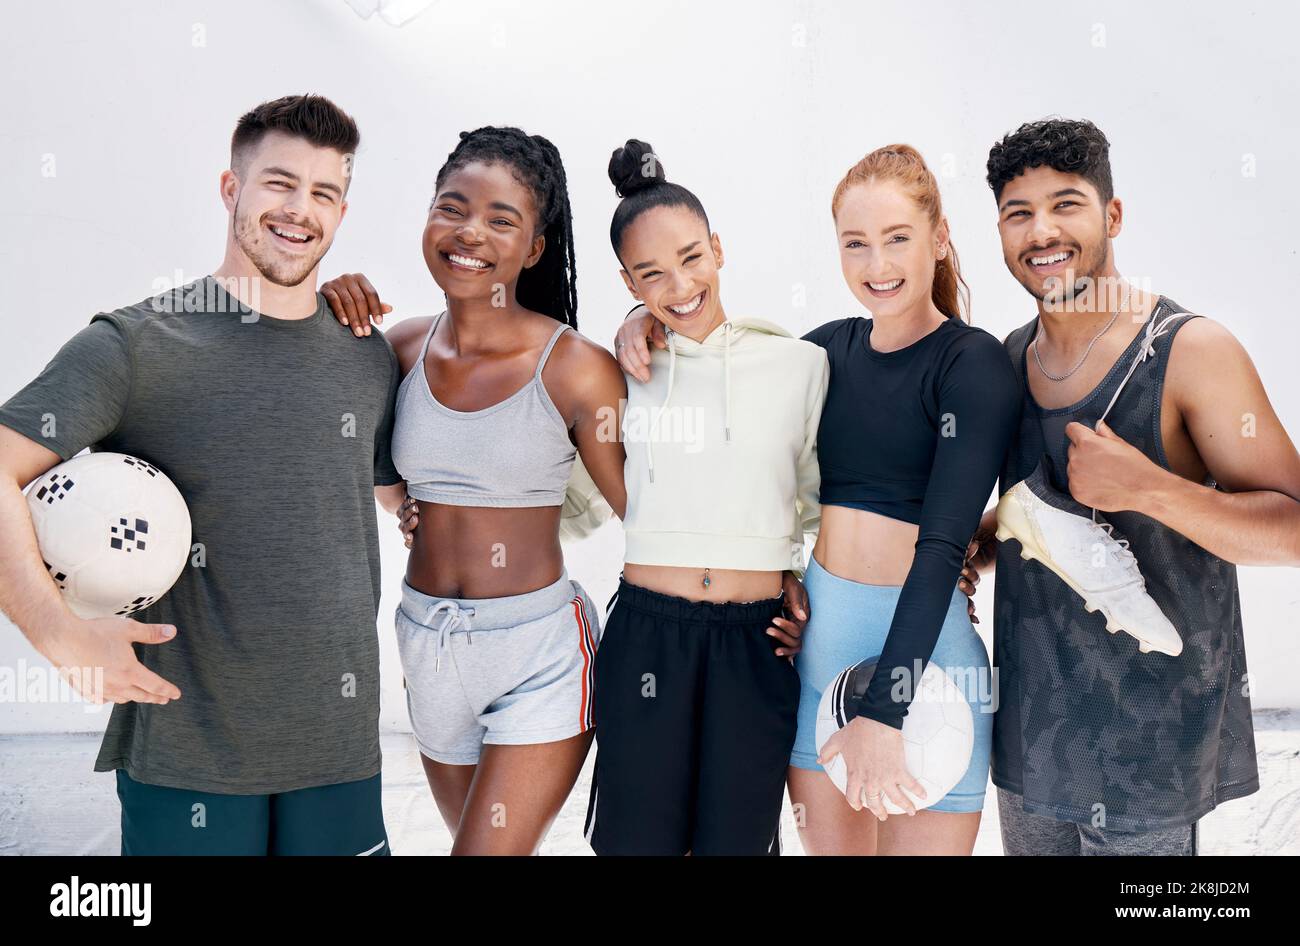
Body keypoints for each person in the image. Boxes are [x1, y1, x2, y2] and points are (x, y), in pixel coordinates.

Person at [0, 94, 400, 855]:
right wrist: (55, 633)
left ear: (342, 212)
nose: (300, 210)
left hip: (340, 749)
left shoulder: (364, 354)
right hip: (189, 755)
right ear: (231, 189)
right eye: (279, 183)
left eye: (324, 193)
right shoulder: (136, 345)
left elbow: (388, 496)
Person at [615, 144, 1019, 855]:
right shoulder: (824, 352)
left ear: (940, 237)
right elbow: (726, 369)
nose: (876, 264)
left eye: (897, 239)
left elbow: (943, 548)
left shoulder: (972, 363)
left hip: (925, 673)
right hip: (817, 657)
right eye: (855, 244)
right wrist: (644, 323)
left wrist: (887, 711)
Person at [967, 117, 1300, 854]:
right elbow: (1040, 516)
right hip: (1029, 743)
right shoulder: (1005, 360)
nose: (1041, 231)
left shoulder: (1191, 351)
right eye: (1018, 213)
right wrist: (972, 544)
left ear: (1112, 216)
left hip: (1152, 754)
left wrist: (1151, 489)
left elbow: (1294, 528)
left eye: (1066, 204)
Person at [320, 126, 627, 855]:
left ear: (535, 249)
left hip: (538, 650)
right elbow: (383, 478)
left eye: (501, 219)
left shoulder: (576, 366)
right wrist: (322, 298)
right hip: (427, 643)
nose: (469, 233)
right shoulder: (396, 350)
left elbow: (645, 514)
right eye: (452, 208)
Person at [585, 140, 828, 855]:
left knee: (738, 844)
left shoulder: (799, 364)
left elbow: (826, 503)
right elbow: (567, 489)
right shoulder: (624, 369)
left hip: (757, 642)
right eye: (652, 273)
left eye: (692, 257)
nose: (680, 283)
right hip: (647, 635)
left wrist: (816, 595)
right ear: (627, 279)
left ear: (718, 248)